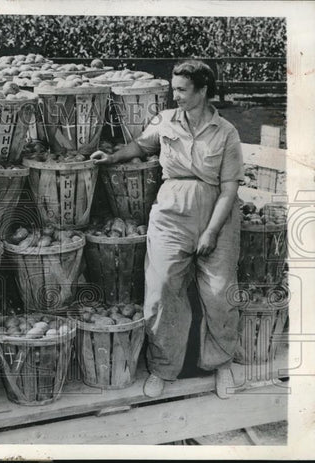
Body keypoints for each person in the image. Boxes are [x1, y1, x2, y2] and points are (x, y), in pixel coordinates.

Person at [91, 60, 244, 399]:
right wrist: (113, 157)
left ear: (202, 91)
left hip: (216, 212)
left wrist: (211, 232)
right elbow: (142, 145)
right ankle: (163, 368)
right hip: (171, 211)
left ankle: (221, 364)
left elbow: (230, 189)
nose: (175, 96)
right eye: (173, 89)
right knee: (161, 289)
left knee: (219, 293)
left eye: (182, 90)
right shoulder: (165, 121)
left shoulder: (226, 132)